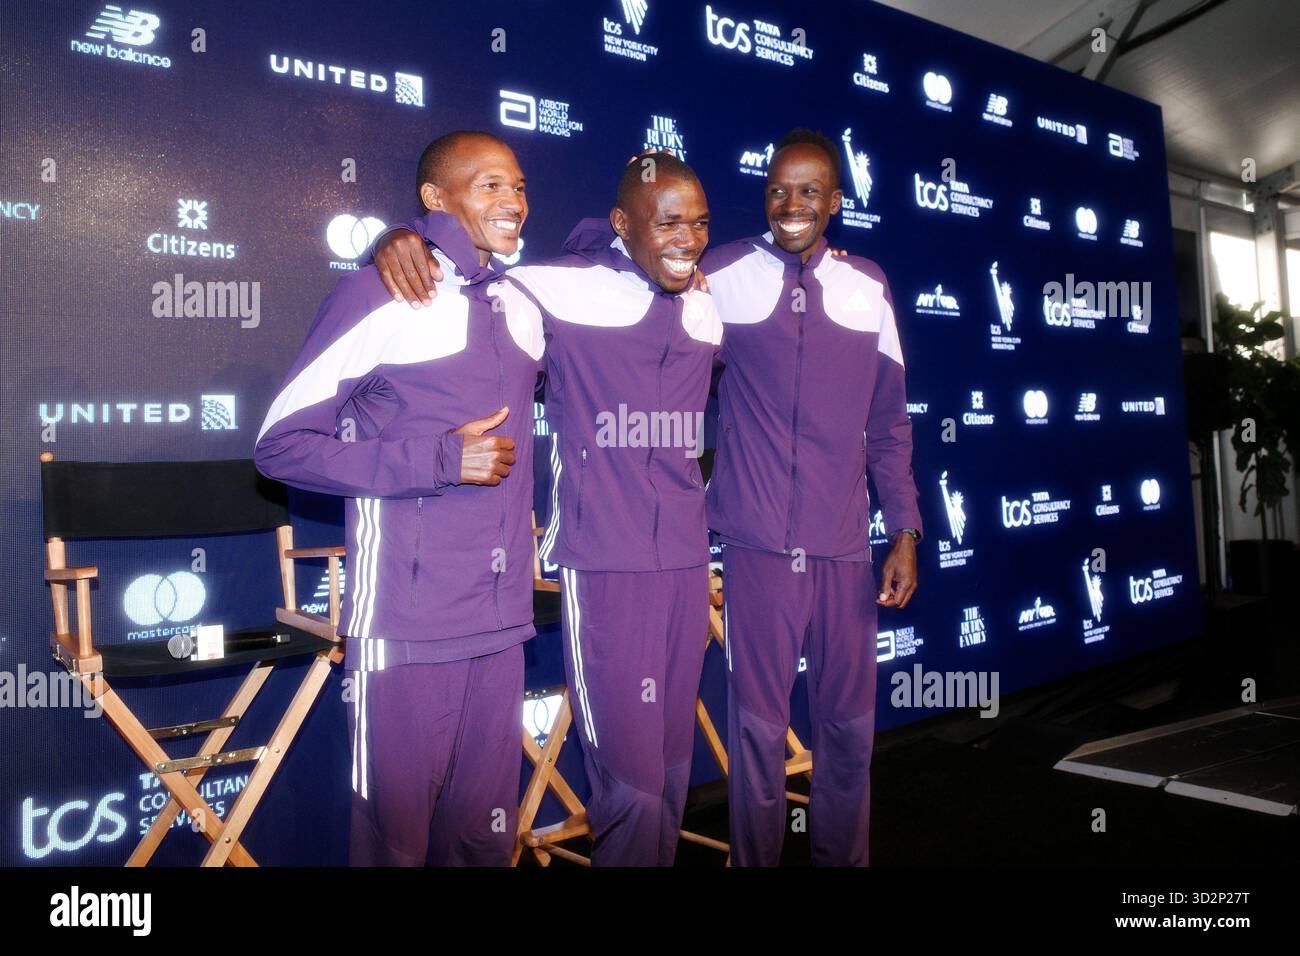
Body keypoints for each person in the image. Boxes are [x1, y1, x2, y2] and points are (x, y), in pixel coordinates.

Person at [370, 151, 722, 866]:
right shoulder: (550, 290)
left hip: (688, 563)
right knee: (631, 781)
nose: (686, 238)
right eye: (668, 222)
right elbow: (458, 271)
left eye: (699, 223)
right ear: (624, 225)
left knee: (673, 767)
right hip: (605, 567)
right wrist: (398, 236)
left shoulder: (707, 302)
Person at [254, 130, 543, 866]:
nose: (510, 200)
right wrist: (442, 458)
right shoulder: (382, 291)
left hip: (503, 620)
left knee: (483, 842)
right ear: (433, 199)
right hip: (407, 626)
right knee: (395, 848)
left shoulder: (525, 301)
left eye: (516, 185)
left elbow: (605, 251)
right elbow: (280, 445)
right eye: (487, 185)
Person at [701, 128, 922, 866]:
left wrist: (906, 533)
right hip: (759, 547)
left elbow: (890, 426)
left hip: (844, 550)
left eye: (806, 190)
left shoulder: (870, 288)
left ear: (834, 200)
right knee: (758, 735)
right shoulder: (722, 272)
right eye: (776, 189)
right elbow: (635, 262)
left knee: (848, 732)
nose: (790, 203)